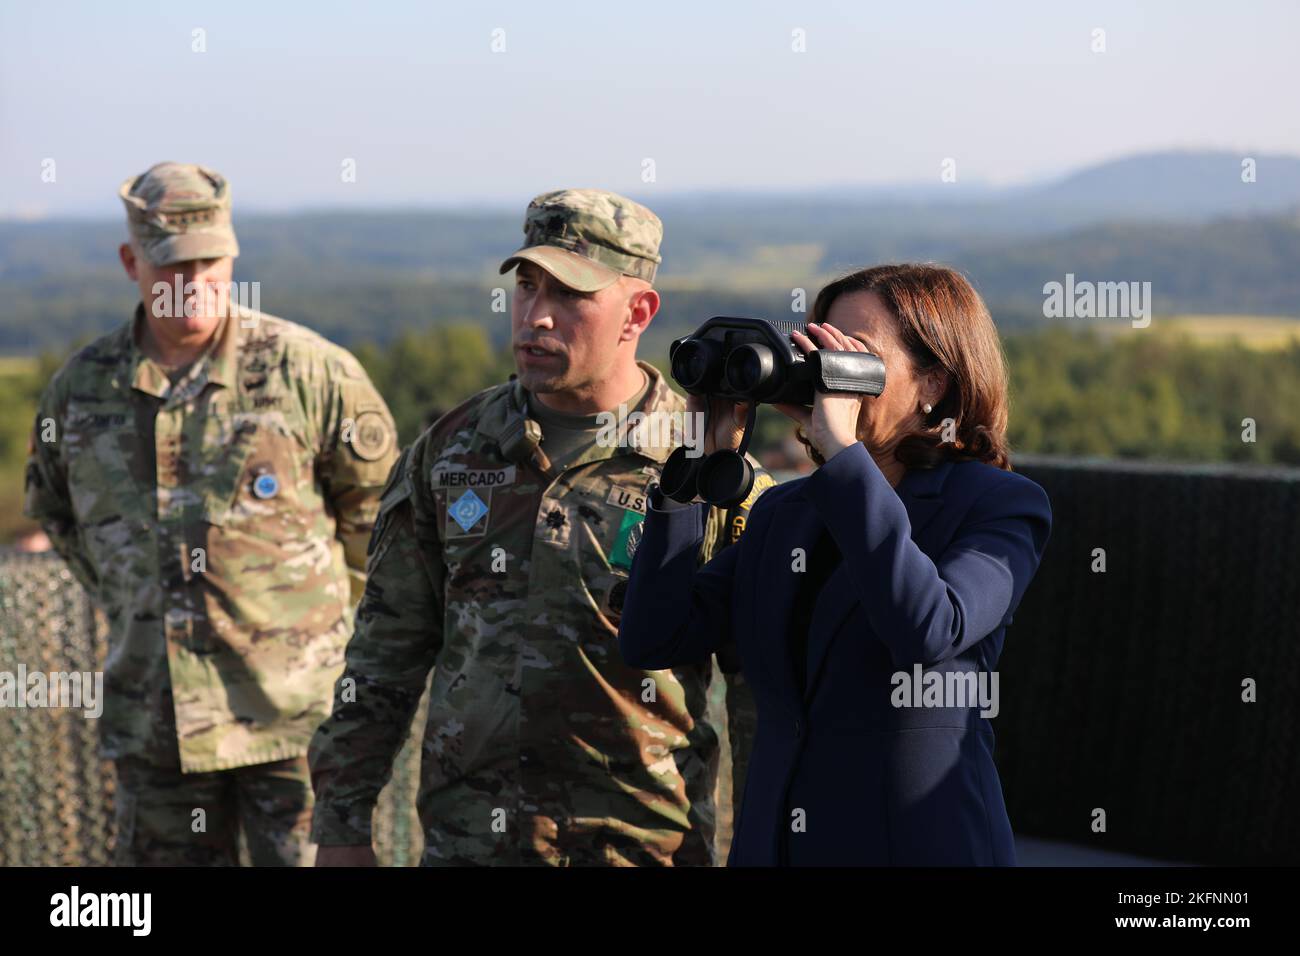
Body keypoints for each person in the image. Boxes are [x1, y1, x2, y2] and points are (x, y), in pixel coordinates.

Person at [309, 188, 771, 866]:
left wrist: (767, 849)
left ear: (637, 312)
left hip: (641, 850)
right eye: (526, 288)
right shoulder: (452, 451)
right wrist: (342, 825)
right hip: (471, 847)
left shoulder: (709, 470)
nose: (536, 318)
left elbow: (760, 694)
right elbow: (385, 654)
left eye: (570, 296)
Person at [23, 162, 398, 866]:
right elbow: (58, 513)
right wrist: (136, 594)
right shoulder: (83, 390)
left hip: (294, 720)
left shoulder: (309, 373)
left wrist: (315, 630)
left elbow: (379, 524)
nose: (194, 281)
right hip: (156, 727)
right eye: (173, 265)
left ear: (232, 257)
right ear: (131, 262)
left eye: (211, 262)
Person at [619, 264, 1053, 865]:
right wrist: (691, 472)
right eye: (816, 349)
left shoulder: (999, 505)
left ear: (933, 382)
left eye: (852, 355)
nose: (826, 375)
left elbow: (926, 630)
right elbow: (654, 636)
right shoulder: (787, 512)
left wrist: (843, 453)